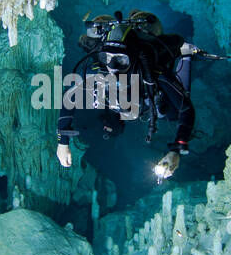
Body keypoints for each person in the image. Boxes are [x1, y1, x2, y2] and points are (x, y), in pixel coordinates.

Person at [55, 10, 201, 182]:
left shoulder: (154, 73)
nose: (112, 67)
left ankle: (185, 57)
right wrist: (62, 142)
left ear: (133, 58)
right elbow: (69, 98)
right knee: (111, 116)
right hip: (121, 102)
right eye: (106, 58)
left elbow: (186, 108)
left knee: (171, 113)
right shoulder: (98, 71)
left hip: (146, 100)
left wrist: (176, 150)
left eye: (121, 61)